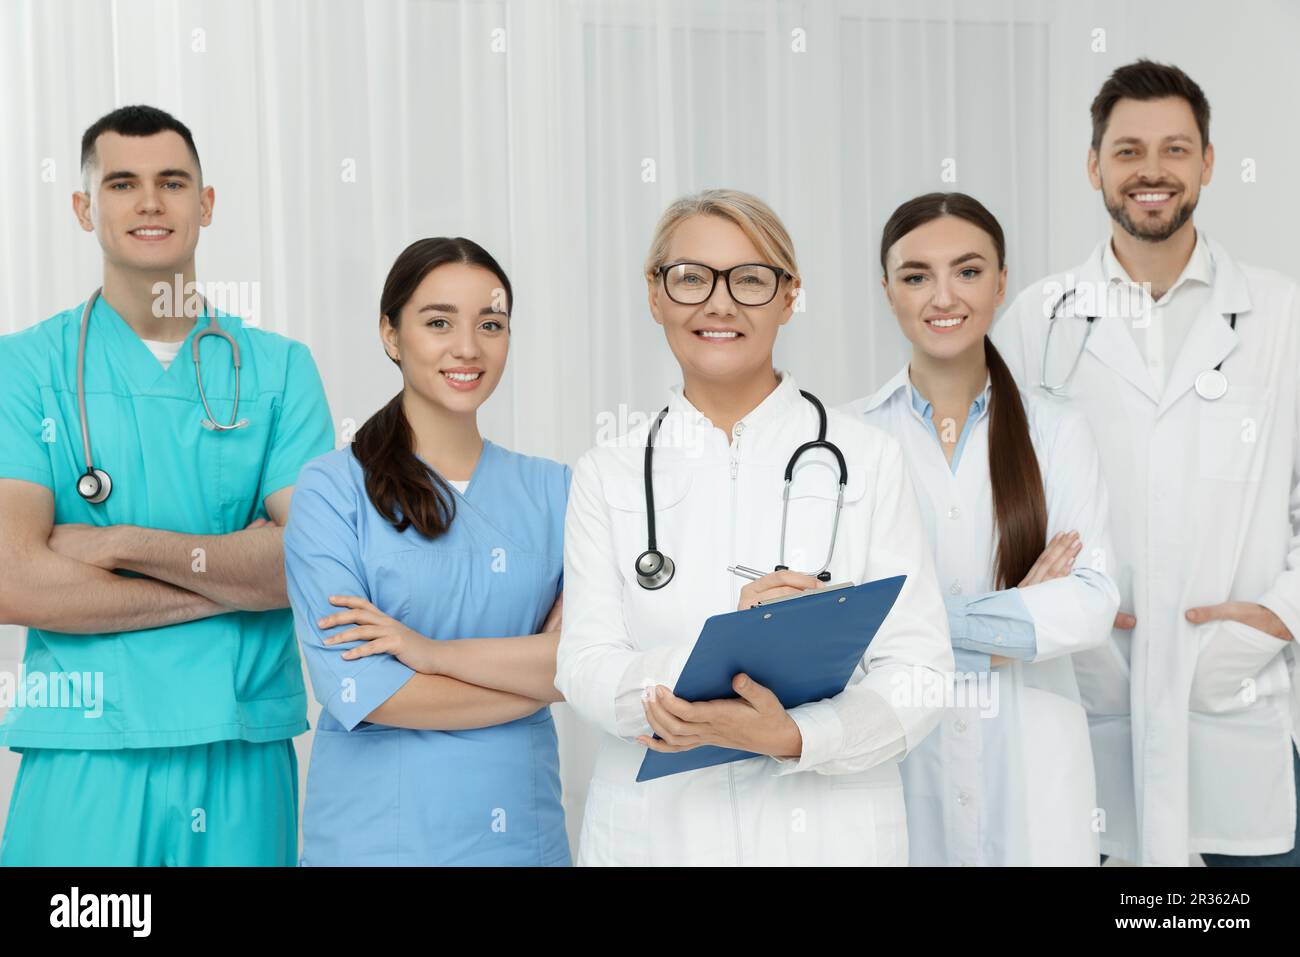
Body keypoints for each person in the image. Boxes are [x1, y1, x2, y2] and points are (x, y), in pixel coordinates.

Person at [556, 188, 953, 866]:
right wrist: (706, 672)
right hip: (660, 839)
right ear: (655, 296)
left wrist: (795, 734)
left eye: (749, 278)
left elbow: (920, 672)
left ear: (789, 295)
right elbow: (585, 665)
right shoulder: (607, 471)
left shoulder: (867, 459)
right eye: (689, 278)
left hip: (830, 836)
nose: (718, 302)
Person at [0, 105, 333, 865]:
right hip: (83, 753)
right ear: (85, 208)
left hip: (240, 749)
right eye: (122, 183)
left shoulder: (278, 370)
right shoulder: (22, 367)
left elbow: (307, 563)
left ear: (206, 203)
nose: (150, 202)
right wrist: (228, 580)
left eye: (172, 182)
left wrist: (117, 544)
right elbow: (13, 579)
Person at [992, 59, 1300, 866]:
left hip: (1228, 701)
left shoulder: (1281, 314)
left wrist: (1280, 616)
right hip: (1091, 697)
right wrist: (1057, 606)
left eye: (1174, 149)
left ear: (1206, 162)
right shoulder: (1038, 319)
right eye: (1128, 151)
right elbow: (996, 492)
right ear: (1094, 166)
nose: (1151, 172)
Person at [845, 192, 1119, 865]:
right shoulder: (844, 438)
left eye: (967, 271)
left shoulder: (1058, 431)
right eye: (916, 276)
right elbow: (834, 622)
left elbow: (1088, 604)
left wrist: (909, 625)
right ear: (887, 291)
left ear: (1001, 281)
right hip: (900, 769)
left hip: (1035, 783)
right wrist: (1021, 610)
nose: (943, 296)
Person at [283, 237, 570, 866]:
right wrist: (541, 682)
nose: (468, 347)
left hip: (518, 837)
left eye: (490, 324)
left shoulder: (557, 492)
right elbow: (367, 691)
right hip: (374, 842)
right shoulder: (332, 491)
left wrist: (429, 654)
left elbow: (590, 656)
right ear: (391, 334)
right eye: (438, 322)